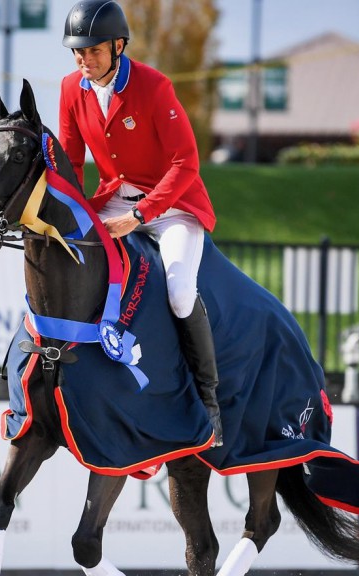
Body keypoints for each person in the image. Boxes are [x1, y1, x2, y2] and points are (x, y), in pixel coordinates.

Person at [58, 0, 222, 448]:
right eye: (77, 51)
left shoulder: (153, 86)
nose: (84, 60)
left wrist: (139, 215)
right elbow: (72, 163)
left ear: (117, 45)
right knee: (70, 255)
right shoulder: (72, 88)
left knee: (179, 291)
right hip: (114, 200)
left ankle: (208, 400)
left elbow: (185, 163)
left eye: (93, 51)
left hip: (172, 206)